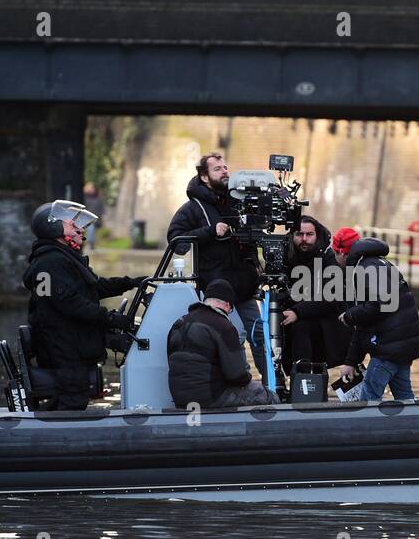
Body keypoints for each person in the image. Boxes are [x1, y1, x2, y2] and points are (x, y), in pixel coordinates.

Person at [22, 200, 145, 411]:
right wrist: (109, 318)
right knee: (73, 398)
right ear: (53, 228)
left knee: (72, 396)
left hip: (71, 344)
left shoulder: (62, 258)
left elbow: (94, 287)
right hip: (63, 347)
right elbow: (70, 303)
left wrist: (131, 282)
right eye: (72, 225)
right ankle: (56, 438)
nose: (79, 229)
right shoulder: (50, 262)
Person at [166, 152, 267, 375]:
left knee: (260, 335)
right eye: (217, 169)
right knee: (232, 336)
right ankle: (241, 385)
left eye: (225, 167)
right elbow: (176, 240)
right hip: (216, 289)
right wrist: (210, 231)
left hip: (244, 289)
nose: (225, 172)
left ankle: (272, 387)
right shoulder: (192, 208)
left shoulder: (239, 202)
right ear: (204, 176)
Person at [332, 227, 419, 402]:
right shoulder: (378, 263)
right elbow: (366, 322)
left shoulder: (364, 269)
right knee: (405, 398)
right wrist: (351, 361)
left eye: (335, 254)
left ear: (342, 253)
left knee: (368, 400)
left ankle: (363, 429)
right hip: (403, 344)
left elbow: (378, 305)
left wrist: (349, 316)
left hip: (387, 348)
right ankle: (415, 426)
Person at [167, 278, 279, 409]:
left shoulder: (179, 323)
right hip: (210, 398)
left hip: (179, 398)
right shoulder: (223, 326)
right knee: (266, 394)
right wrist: (249, 379)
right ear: (227, 305)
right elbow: (236, 375)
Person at [279, 215, 352, 373]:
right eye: (299, 234)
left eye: (309, 234)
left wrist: (297, 311)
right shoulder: (285, 254)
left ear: (317, 235)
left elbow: (331, 298)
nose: (304, 239)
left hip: (326, 322)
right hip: (293, 317)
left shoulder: (328, 257)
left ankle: (305, 381)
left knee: (301, 326)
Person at [81, 182, 106, 250]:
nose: (91, 190)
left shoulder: (98, 198)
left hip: (95, 218)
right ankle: (89, 242)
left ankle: (90, 242)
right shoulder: (84, 198)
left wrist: (102, 217)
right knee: (90, 229)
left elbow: (102, 209)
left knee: (91, 229)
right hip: (85, 218)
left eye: (92, 188)